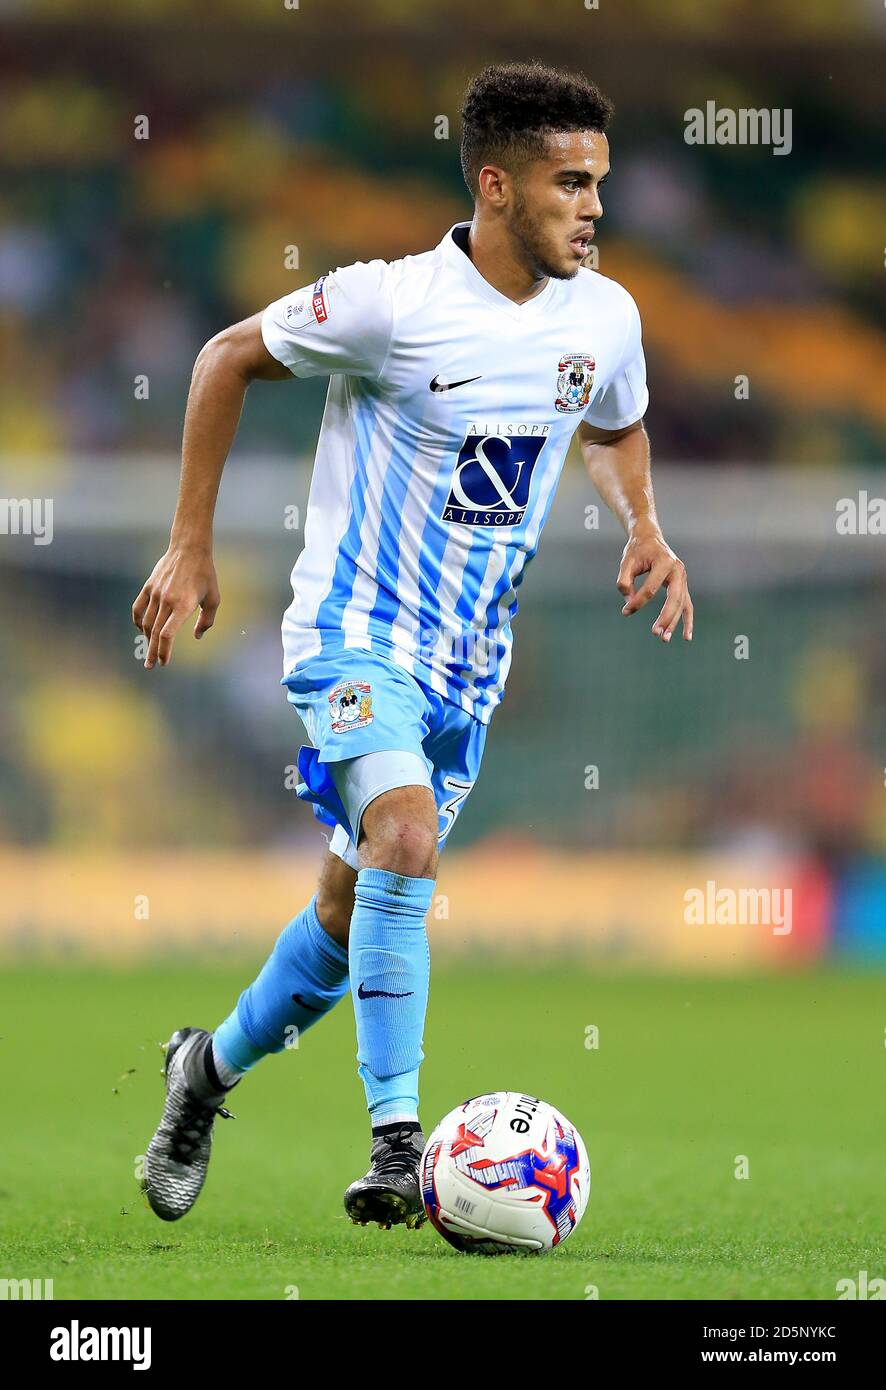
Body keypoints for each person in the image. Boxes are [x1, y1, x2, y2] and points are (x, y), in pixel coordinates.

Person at [132, 60, 693, 1231]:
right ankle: (399, 1142)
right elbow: (224, 356)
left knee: (347, 918)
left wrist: (642, 523)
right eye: (568, 183)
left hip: (464, 665)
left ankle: (205, 1072)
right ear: (495, 186)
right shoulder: (392, 303)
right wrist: (189, 545)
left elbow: (616, 422)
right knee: (405, 836)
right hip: (350, 634)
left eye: (599, 182)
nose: (593, 207)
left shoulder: (605, 313)